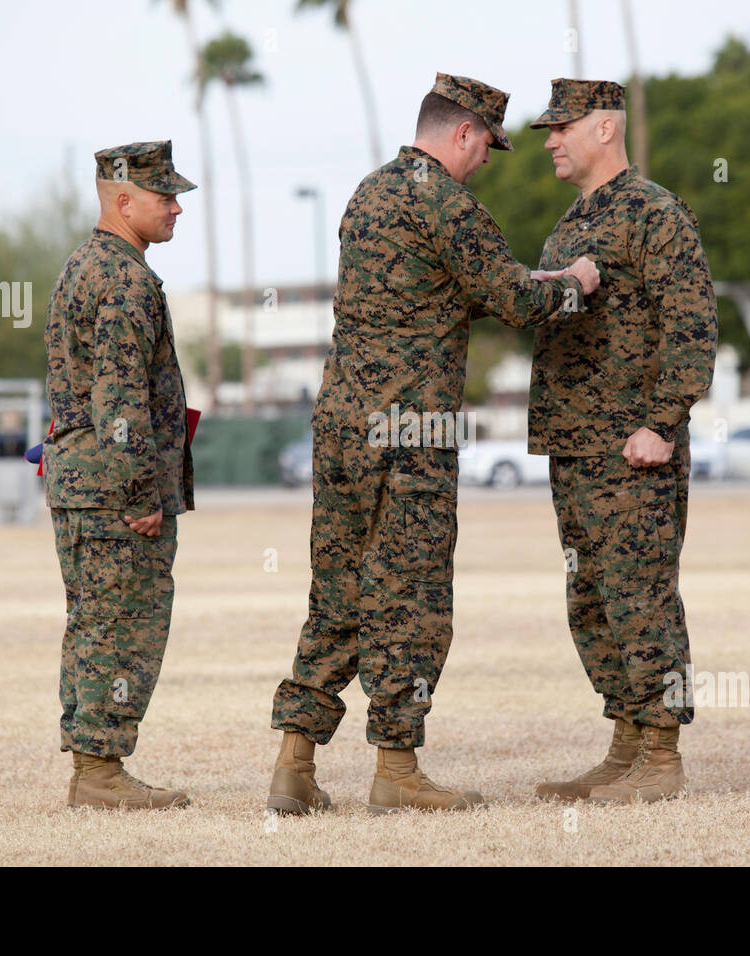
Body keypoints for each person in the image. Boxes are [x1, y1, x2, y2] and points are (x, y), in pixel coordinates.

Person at [267, 73, 601, 816]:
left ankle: (295, 762)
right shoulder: (449, 205)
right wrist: (577, 278)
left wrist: (515, 280)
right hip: (411, 435)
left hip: (343, 427)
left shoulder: (367, 194)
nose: (487, 161)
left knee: (338, 590)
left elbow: (440, 290)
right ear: (463, 134)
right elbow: (515, 300)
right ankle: (396, 769)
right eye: (487, 146)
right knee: (410, 598)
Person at [526, 79, 717, 805]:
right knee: (591, 596)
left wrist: (661, 422)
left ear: (604, 128)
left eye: (561, 128)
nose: (549, 141)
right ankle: (626, 742)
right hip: (576, 445)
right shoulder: (572, 223)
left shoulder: (655, 212)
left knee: (641, 594)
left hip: (632, 445)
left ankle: (661, 755)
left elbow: (693, 324)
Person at [44, 140, 196, 810]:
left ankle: (92, 768)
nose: (177, 209)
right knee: (122, 623)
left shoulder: (85, 265)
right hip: (114, 491)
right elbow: (120, 396)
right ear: (123, 200)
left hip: (82, 482)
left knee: (92, 621)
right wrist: (141, 493)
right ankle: (100, 774)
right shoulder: (125, 279)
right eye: (166, 197)